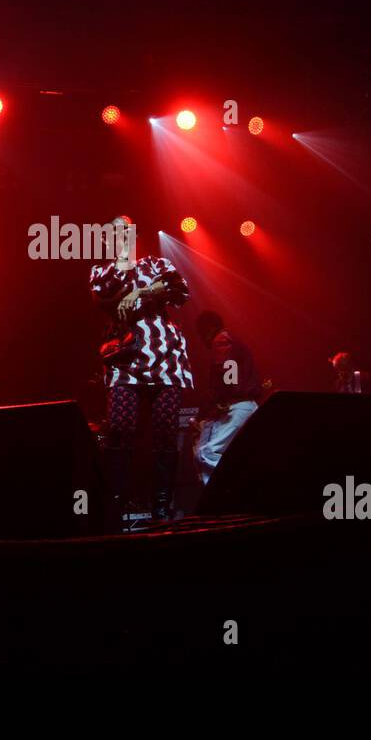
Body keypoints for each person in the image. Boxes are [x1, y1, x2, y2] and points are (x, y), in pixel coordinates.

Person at [89, 217, 194, 529]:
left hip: (165, 357)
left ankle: (162, 509)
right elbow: (103, 297)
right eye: (115, 233)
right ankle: (115, 509)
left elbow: (180, 290)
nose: (122, 237)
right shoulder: (102, 271)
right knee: (120, 429)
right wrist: (131, 284)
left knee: (165, 433)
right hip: (125, 358)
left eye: (127, 232)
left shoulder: (156, 263)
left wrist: (143, 292)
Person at [191, 310, 262, 484]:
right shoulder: (233, 340)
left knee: (205, 452)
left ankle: (236, 484)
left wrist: (216, 403)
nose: (201, 337)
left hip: (234, 407)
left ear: (209, 328)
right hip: (245, 407)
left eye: (201, 331)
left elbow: (228, 377)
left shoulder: (221, 341)